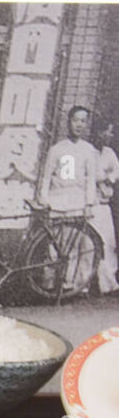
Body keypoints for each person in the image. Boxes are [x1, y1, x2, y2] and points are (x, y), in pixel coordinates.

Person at [37, 106, 98, 218]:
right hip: (56, 203)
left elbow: (91, 179)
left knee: (74, 235)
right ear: (68, 122)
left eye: (83, 121)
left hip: (78, 205)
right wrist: (44, 200)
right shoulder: (56, 149)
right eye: (75, 120)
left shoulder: (89, 150)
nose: (79, 125)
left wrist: (89, 204)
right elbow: (46, 177)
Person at [92, 119, 119, 294]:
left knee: (108, 244)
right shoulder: (88, 151)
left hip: (104, 204)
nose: (109, 136)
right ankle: (87, 282)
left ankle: (108, 282)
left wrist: (108, 178)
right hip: (91, 203)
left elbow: (117, 170)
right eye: (106, 132)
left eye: (111, 132)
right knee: (91, 243)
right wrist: (101, 177)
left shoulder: (109, 153)